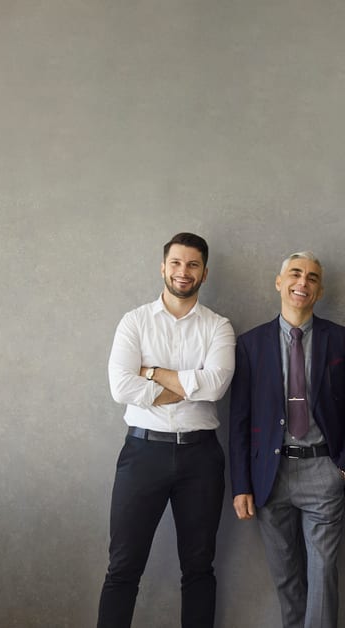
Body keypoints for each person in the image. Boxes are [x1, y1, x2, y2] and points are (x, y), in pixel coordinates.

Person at [228, 252, 345, 628]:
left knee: (322, 573)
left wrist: (342, 470)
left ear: (319, 291)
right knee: (286, 579)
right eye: (295, 274)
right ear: (279, 282)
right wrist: (241, 485)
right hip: (269, 476)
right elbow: (239, 421)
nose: (302, 282)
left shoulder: (341, 341)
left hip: (323, 470)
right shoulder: (250, 344)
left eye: (312, 278)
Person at [100, 232, 235, 628]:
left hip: (201, 457)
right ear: (163, 267)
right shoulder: (135, 321)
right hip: (143, 454)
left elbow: (216, 386)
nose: (183, 271)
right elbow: (120, 388)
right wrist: (188, 386)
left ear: (204, 273)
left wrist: (152, 373)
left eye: (193, 264)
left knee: (199, 567)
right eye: (176, 263)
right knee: (123, 566)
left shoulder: (218, 327)